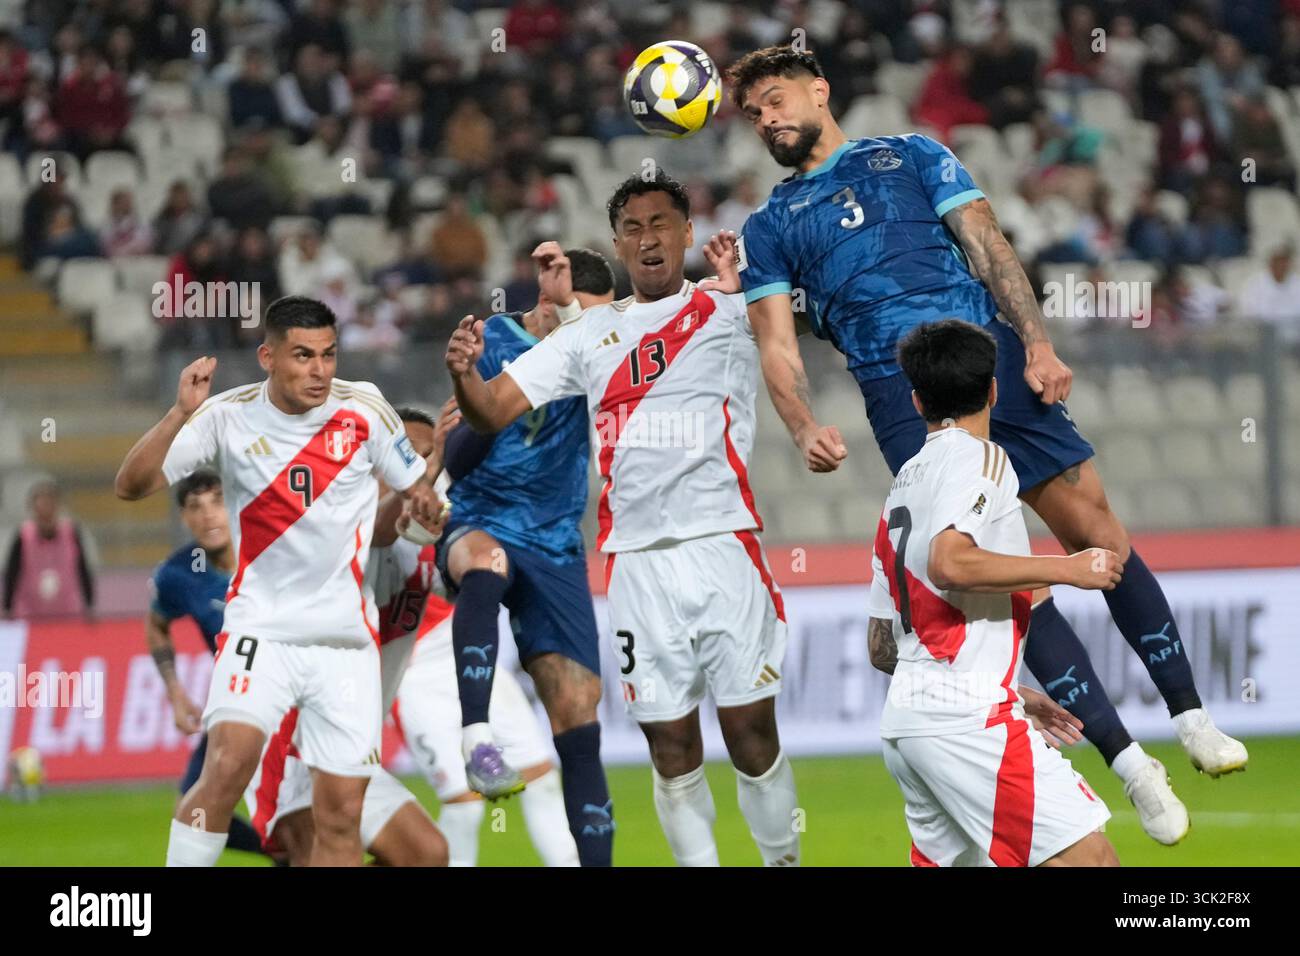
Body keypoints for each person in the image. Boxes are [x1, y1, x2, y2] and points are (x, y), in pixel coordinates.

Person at [712, 45, 1247, 846]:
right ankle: (1130, 762)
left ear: (819, 91)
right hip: (903, 397)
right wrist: (798, 423)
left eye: (778, 100)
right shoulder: (770, 226)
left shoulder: (915, 153)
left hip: (987, 349)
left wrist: (1036, 342)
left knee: (1096, 533)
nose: (768, 120)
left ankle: (1192, 714)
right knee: (1008, 588)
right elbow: (776, 343)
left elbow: (989, 246)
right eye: (753, 115)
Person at [446, 172, 799, 867]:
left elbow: (789, 344)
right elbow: (490, 411)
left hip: (724, 545)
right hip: (636, 564)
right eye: (633, 228)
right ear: (617, 244)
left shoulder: (729, 309)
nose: (648, 238)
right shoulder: (589, 338)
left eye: (662, 223)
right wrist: (463, 373)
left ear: (687, 233)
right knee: (670, 749)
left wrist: (808, 420)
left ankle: (783, 860)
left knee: (751, 733)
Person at [115, 294, 446, 866]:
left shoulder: (365, 408)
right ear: (268, 356)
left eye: (328, 355)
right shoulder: (227, 415)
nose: (319, 371)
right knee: (224, 769)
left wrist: (426, 507)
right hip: (261, 631)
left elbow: (414, 498)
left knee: (341, 816)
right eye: (302, 356)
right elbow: (130, 484)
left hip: (345, 642)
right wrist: (178, 414)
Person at [869, 319, 1118, 867]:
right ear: (994, 390)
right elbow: (950, 563)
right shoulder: (982, 458)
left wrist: (1011, 691)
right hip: (966, 722)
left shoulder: (903, 486)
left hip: (910, 726)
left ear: (916, 401)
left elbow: (882, 646)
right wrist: (1068, 568)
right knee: (1091, 861)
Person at [437, 247, 617, 867]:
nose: (590, 332)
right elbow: (458, 456)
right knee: (483, 567)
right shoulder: (490, 339)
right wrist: (466, 387)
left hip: (558, 544)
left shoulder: (602, 347)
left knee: (578, 721)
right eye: (579, 315)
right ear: (549, 299)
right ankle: (477, 738)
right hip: (481, 518)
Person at [244, 407, 452, 867]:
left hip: (351, 747)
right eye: (408, 460)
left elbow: (463, 577)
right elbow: (377, 534)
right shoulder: (338, 520)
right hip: (294, 738)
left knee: (427, 854)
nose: (418, 473)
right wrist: (429, 471)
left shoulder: (426, 541)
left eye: (426, 459)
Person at [394, 406, 579, 867]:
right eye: (409, 454)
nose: (419, 463)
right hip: (413, 674)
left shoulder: (451, 500)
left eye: (425, 452)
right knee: (465, 806)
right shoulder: (371, 513)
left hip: (470, 659)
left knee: (541, 777)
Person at [145, 469, 264, 858]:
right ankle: (281, 854)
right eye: (195, 507)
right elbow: (157, 625)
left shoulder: (272, 551)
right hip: (235, 702)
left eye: (217, 501)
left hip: (294, 700)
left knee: (317, 815)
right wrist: (176, 693)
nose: (208, 515)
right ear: (183, 517)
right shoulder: (182, 573)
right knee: (192, 811)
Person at [3, 480, 95, 621]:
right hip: (29, 614)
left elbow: (82, 570)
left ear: (57, 507)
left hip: (68, 614)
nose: (45, 511)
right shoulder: (23, 536)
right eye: (41, 506)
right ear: (32, 508)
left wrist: (90, 604)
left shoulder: (71, 533)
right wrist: (7, 607)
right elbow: (12, 573)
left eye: (49, 505)